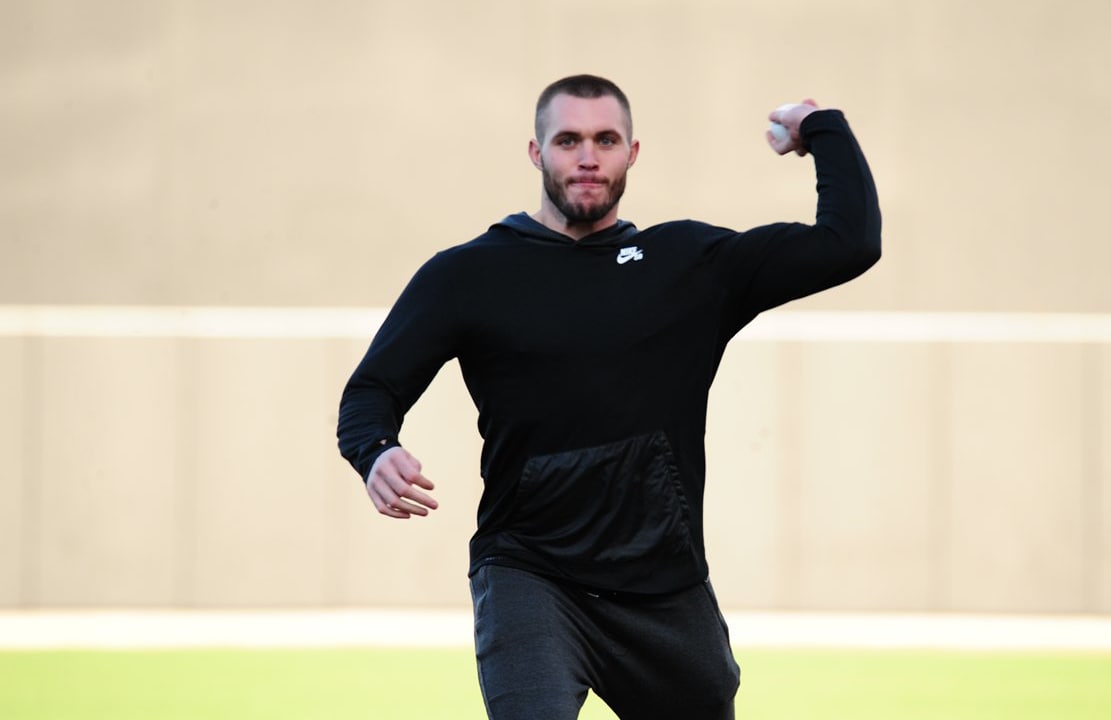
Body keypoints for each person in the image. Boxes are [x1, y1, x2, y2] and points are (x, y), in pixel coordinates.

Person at [337, 74, 881, 720]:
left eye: (605, 139)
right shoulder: (468, 274)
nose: (587, 156)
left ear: (632, 152)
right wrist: (375, 451)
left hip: (665, 588)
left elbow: (850, 242)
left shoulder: (689, 263)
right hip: (530, 573)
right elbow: (372, 389)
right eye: (568, 140)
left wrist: (820, 128)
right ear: (537, 153)